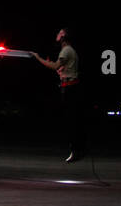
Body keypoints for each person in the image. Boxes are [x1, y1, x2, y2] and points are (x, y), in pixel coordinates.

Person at [35, 28, 86, 162]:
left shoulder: (66, 50)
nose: (57, 34)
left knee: (71, 120)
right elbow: (60, 68)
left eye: (59, 33)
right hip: (69, 87)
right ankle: (77, 149)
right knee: (72, 120)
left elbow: (55, 66)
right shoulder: (69, 51)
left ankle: (76, 150)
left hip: (70, 88)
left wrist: (38, 58)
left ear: (63, 36)